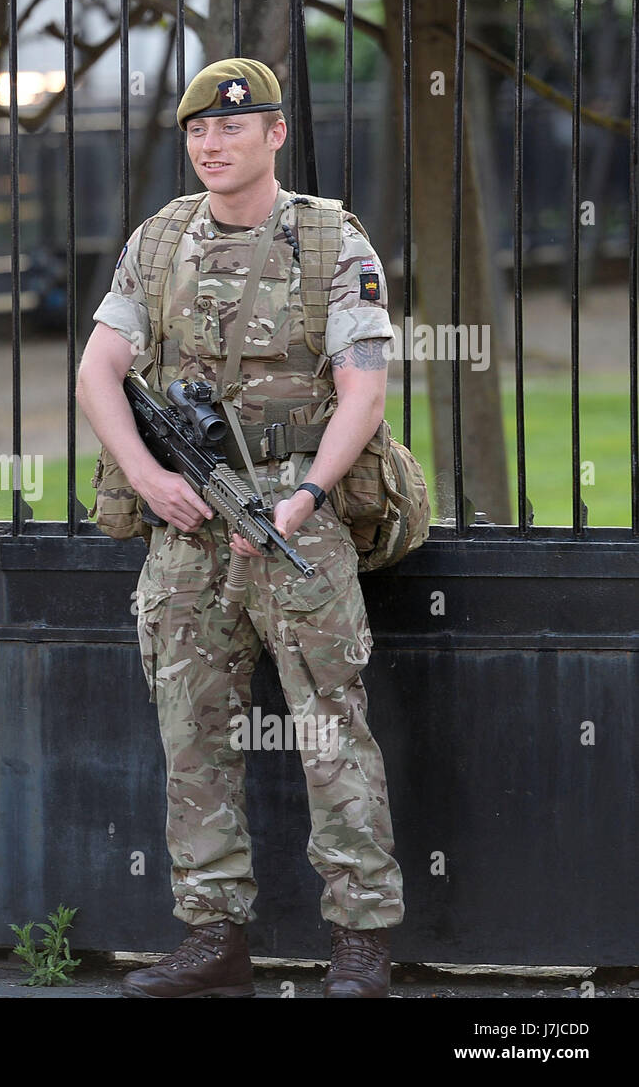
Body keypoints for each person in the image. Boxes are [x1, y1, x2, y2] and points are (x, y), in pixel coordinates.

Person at [76, 58, 404, 998]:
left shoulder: (333, 241)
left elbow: (364, 391)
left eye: (232, 128)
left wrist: (304, 499)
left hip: (295, 514)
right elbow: (101, 370)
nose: (212, 145)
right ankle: (212, 937)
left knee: (330, 728)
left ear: (275, 134)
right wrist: (146, 476)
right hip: (186, 524)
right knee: (192, 732)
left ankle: (361, 937)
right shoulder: (162, 237)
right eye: (198, 133)